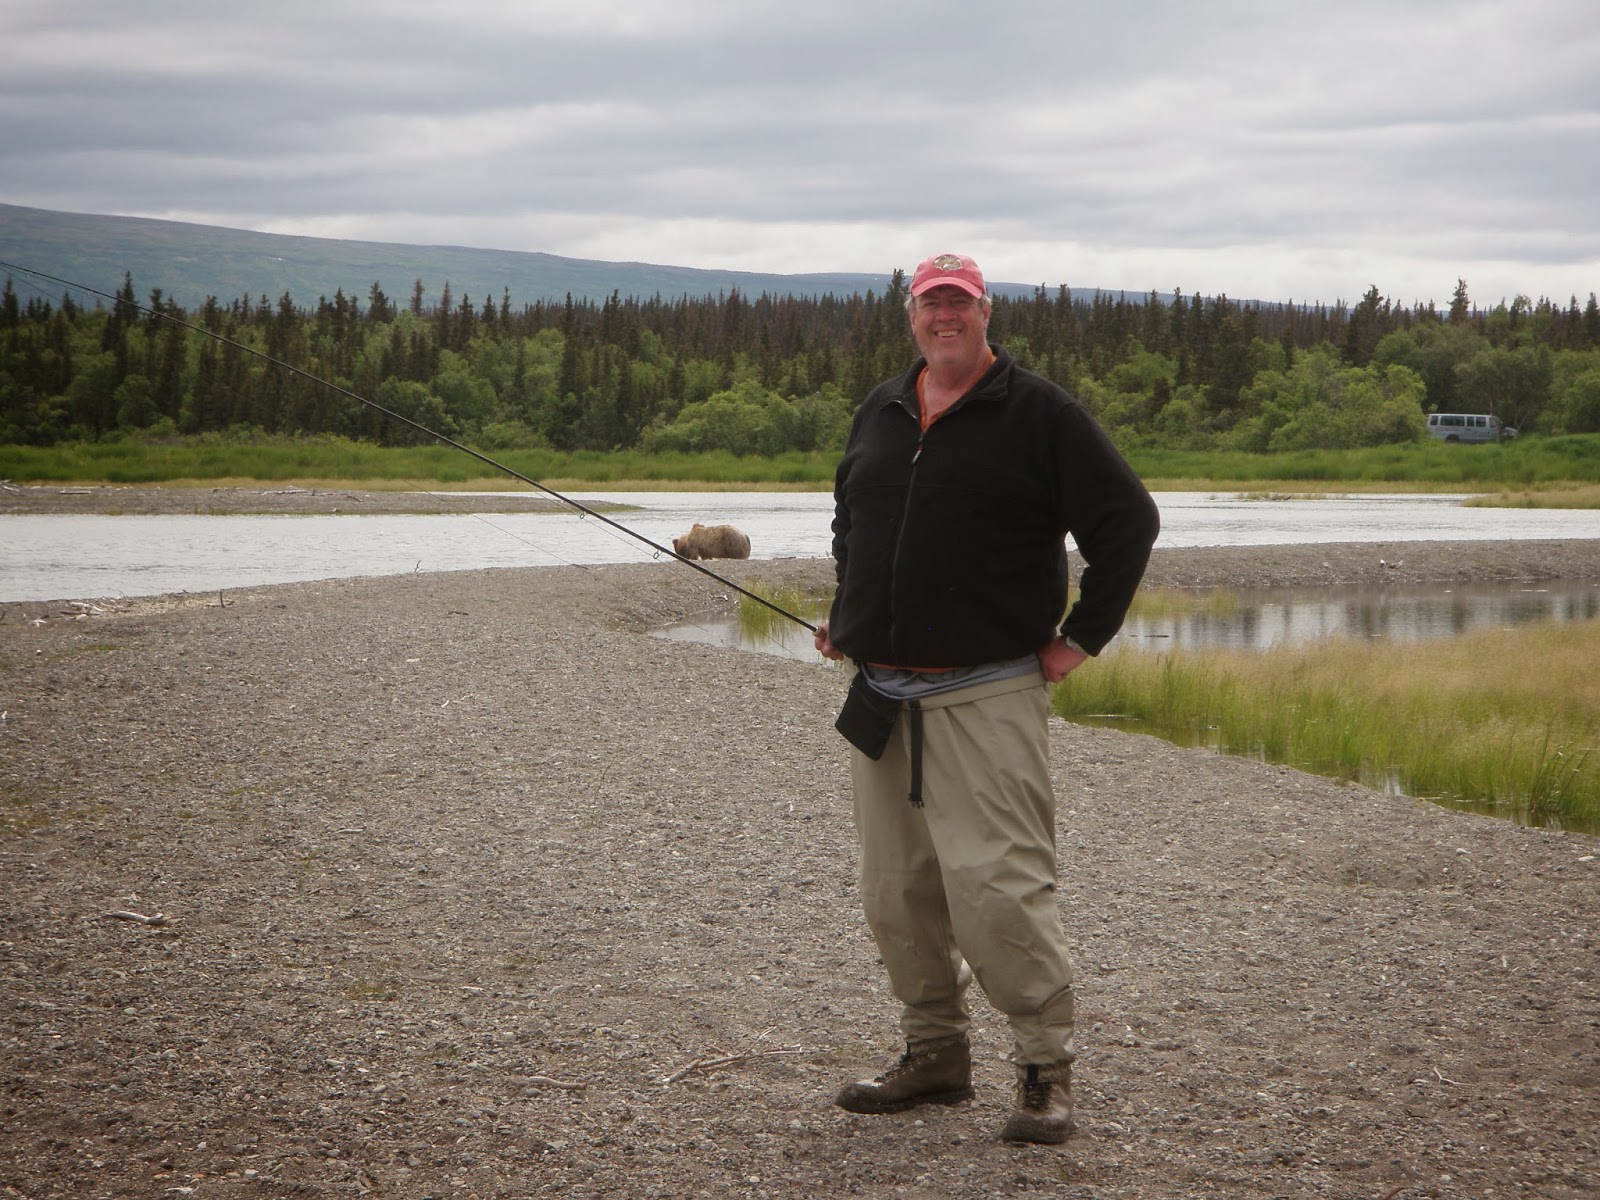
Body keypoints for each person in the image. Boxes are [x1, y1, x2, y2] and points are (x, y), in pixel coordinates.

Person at [813, 252, 1160, 1144]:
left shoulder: (1040, 413)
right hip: (880, 693)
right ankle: (934, 1053)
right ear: (910, 315)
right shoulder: (883, 406)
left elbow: (1129, 521)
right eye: (931, 303)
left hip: (989, 693)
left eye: (959, 303)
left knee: (999, 890)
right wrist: (850, 613)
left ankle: (1045, 1070)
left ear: (985, 312)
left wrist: (1080, 638)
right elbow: (853, 518)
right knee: (896, 892)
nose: (945, 317)